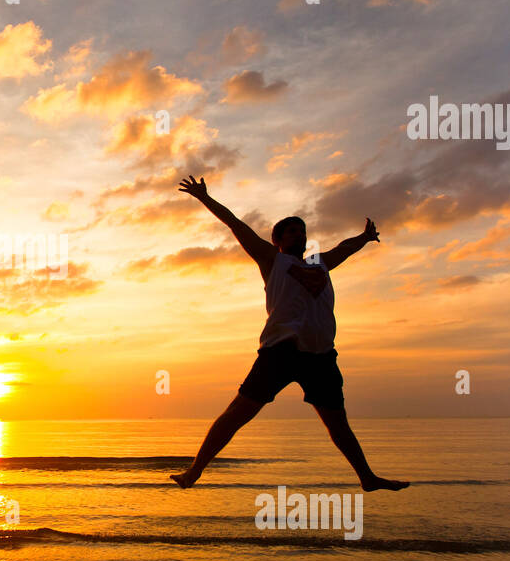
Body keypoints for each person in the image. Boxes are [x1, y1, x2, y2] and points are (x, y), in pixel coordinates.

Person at [170, 175, 408, 492]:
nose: (300, 234)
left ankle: (367, 478)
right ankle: (194, 471)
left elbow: (345, 248)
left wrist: (364, 238)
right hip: (280, 352)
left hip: (321, 356)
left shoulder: (320, 263)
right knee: (237, 414)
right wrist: (204, 197)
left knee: (338, 425)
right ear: (278, 240)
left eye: (303, 231)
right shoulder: (272, 260)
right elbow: (235, 224)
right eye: (292, 231)